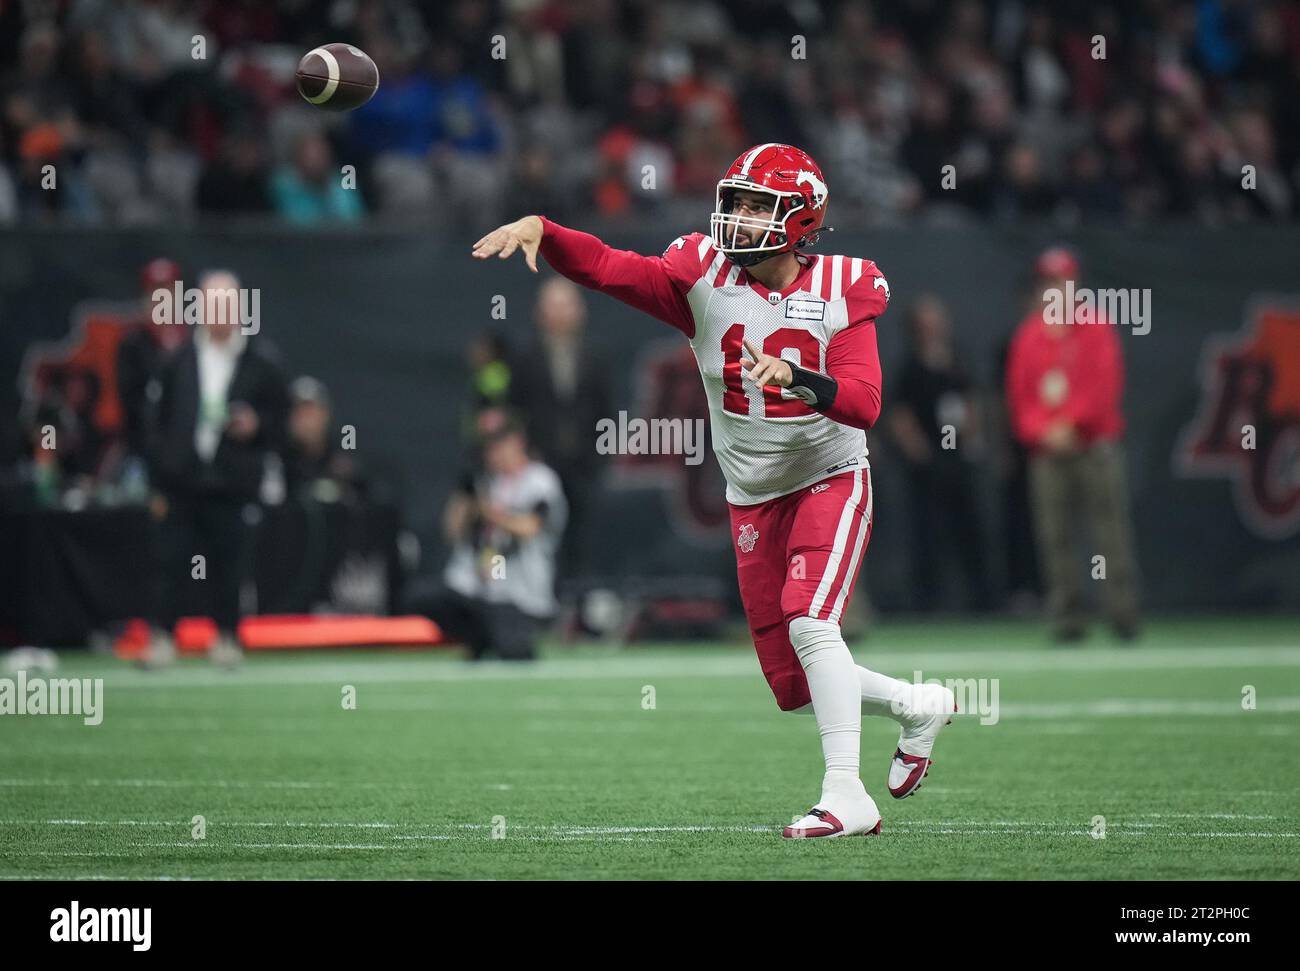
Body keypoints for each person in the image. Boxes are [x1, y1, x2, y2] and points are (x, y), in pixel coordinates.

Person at [472, 143, 957, 839]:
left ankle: (845, 794)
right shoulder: (702, 275)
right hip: (753, 492)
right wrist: (548, 233)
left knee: (811, 620)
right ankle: (917, 704)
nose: (738, 215)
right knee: (794, 686)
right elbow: (613, 268)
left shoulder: (845, 284)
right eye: (736, 199)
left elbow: (865, 402)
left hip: (830, 475)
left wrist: (796, 378)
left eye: (758, 204)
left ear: (800, 217)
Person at [144, 269, 289, 667]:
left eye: (227, 303)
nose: (219, 312)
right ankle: (162, 637)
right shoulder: (177, 361)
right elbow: (155, 421)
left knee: (231, 564)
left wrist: (255, 425)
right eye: (211, 303)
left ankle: (227, 637)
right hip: (182, 480)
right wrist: (162, 469)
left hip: (232, 482)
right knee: (169, 561)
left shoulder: (262, 362)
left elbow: (282, 423)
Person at [1006, 246, 1141, 642]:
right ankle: (1068, 617)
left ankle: (1123, 613)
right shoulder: (1029, 335)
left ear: (1075, 283)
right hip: (1048, 451)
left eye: (1061, 281)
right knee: (1055, 535)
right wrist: (1043, 431)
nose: (1055, 289)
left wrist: (1070, 424)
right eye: (1048, 282)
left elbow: (1104, 386)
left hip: (1094, 445)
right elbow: (1020, 395)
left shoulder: (1095, 327)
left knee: (1110, 531)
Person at [406, 410, 566, 661]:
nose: (492, 452)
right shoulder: (486, 482)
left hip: (519, 594)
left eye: (498, 443)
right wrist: (464, 495)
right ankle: (480, 637)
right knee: (419, 600)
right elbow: (453, 533)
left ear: (517, 441)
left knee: (514, 650)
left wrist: (489, 512)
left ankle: (493, 638)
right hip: (478, 591)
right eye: (488, 445)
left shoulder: (539, 481)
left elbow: (530, 528)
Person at [889, 295, 992, 612]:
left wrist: (973, 439)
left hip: (959, 457)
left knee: (970, 528)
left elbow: (971, 400)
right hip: (929, 462)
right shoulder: (909, 367)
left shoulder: (958, 360)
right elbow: (900, 414)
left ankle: (982, 598)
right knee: (928, 532)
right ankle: (928, 600)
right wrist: (918, 452)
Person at [509, 277, 611, 584]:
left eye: (567, 305)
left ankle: (576, 599)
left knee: (581, 534)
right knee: (541, 533)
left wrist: (598, 455)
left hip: (582, 462)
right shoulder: (524, 358)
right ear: (541, 312)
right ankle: (540, 598)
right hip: (540, 462)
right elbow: (515, 409)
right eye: (554, 306)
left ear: (580, 311)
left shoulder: (595, 357)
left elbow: (604, 410)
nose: (562, 313)